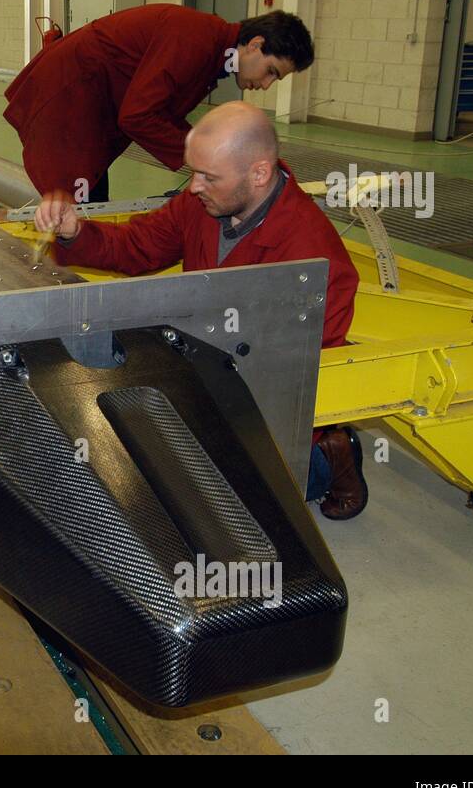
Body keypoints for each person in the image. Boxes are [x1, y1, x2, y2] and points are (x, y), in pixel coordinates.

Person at [36, 101, 368, 520]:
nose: (193, 187)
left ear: (260, 174)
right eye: (192, 173)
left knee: (220, 509)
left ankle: (331, 459)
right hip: (202, 368)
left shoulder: (313, 260)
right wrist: (75, 231)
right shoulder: (205, 203)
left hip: (252, 401)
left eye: (208, 177)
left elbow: (300, 386)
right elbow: (139, 246)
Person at [5, 4, 314, 205]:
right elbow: (139, 115)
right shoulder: (197, 40)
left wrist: (206, 149)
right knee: (72, 208)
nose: (265, 85)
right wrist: (208, 157)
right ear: (255, 44)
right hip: (69, 100)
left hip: (90, 109)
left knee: (91, 197)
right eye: (271, 71)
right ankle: (67, 286)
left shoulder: (212, 50)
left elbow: (160, 113)